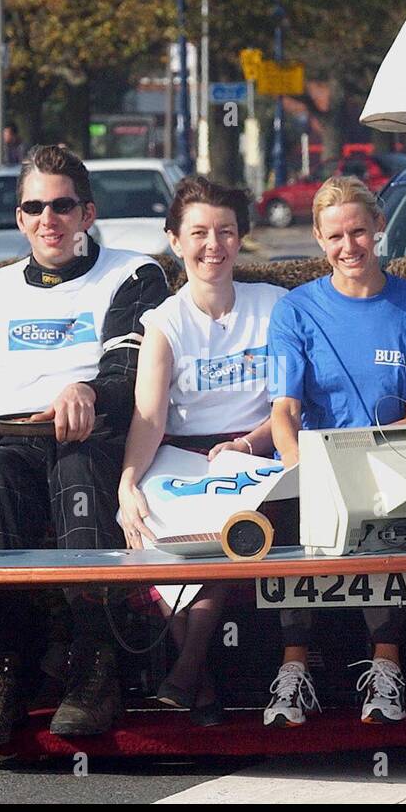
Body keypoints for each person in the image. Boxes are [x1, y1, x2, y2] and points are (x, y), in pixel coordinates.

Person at [0, 144, 169, 744]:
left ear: (87, 214)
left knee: (76, 473)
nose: (49, 219)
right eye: (35, 208)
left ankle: (96, 666)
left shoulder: (134, 273)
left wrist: (89, 391)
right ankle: (1, 669)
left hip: (96, 439)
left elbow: (133, 374)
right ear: (20, 219)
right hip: (14, 442)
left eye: (62, 206)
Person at [264, 175, 406, 727]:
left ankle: (387, 669)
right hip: (317, 462)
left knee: (384, 510)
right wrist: (299, 469)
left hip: (393, 464)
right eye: (335, 236)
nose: (349, 248)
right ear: (319, 241)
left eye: (359, 233)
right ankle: (293, 671)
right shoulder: (295, 311)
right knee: (295, 513)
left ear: (379, 229)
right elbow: (284, 410)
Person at [117, 176, 285, 726]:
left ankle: (189, 673)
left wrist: (249, 443)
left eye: (226, 232)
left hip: (257, 456)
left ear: (241, 239)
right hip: (182, 459)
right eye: (199, 233)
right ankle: (201, 682)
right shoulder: (164, 323)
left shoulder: (276, 307)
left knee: (225, 530)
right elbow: (149, 416)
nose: (213, 245)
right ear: (174, 240)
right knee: (146, 520)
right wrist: (128, 482)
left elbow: (290, 403)